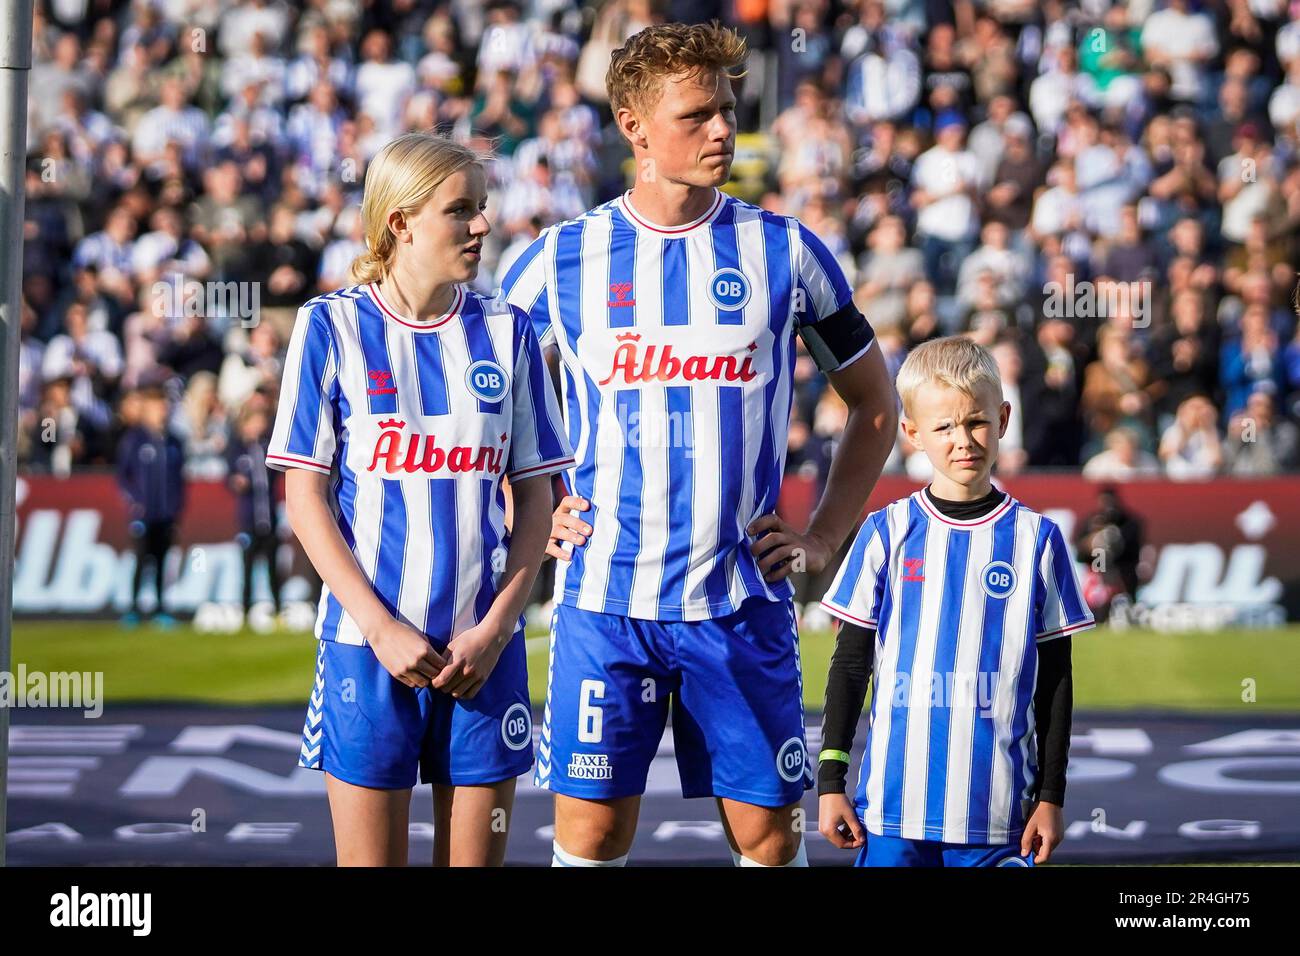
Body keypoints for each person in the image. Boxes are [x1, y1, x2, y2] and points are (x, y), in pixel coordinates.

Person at [502, 21, 898, 867]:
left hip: (742, 604)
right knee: (592, 833)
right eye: (697, 114)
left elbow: (873, 401)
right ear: (632, 125)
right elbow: (483, 407)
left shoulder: (784, 250)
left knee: (763, 837)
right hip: (606, 604)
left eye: (727, 108)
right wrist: (528, 514)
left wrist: (824, 537)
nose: (723, 129)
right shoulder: (556, 261)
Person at [267, 132, 572, 867]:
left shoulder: (509, 331)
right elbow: (304, 498)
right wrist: (379, 628)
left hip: (483, 652)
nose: (482, 225)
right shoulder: (329, 324)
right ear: (399, 222)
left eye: (483, 207)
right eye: (460, 210)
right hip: (367, 650)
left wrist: (499, 629)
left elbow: (538, 501)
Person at [817, 337, 1094, 867]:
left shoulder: (1038, 538)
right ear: (913, 433)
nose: (962, 440)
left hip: (998, 814)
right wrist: (831, 778)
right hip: (893, 811)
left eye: (976, 422)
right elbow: (851, 664)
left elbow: (1056, 678)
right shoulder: (886, 531)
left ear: (1004, 418)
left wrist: (1051, 796)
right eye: (943, 427)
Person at [116, 386, 186, 627]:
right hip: (143, 514)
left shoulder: (174, 441)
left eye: (164, 406)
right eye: (157, 407)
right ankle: (133, 608)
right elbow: (123, 476)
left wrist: (177, 508)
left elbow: (179, 479)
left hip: (167, 514)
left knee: (161, 561)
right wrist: (135, 503)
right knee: (141, 558)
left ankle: (160, 608)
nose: (162, 411)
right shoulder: (134, 440)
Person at [226, 403, 282, 621]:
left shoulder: (268, 447)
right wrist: (236, 482)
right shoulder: (238, 450)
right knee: (247, 567)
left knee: (273, 567)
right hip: (248, 519)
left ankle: (277, 608)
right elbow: (229, 477)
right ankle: (245, 609)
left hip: (269, 518)